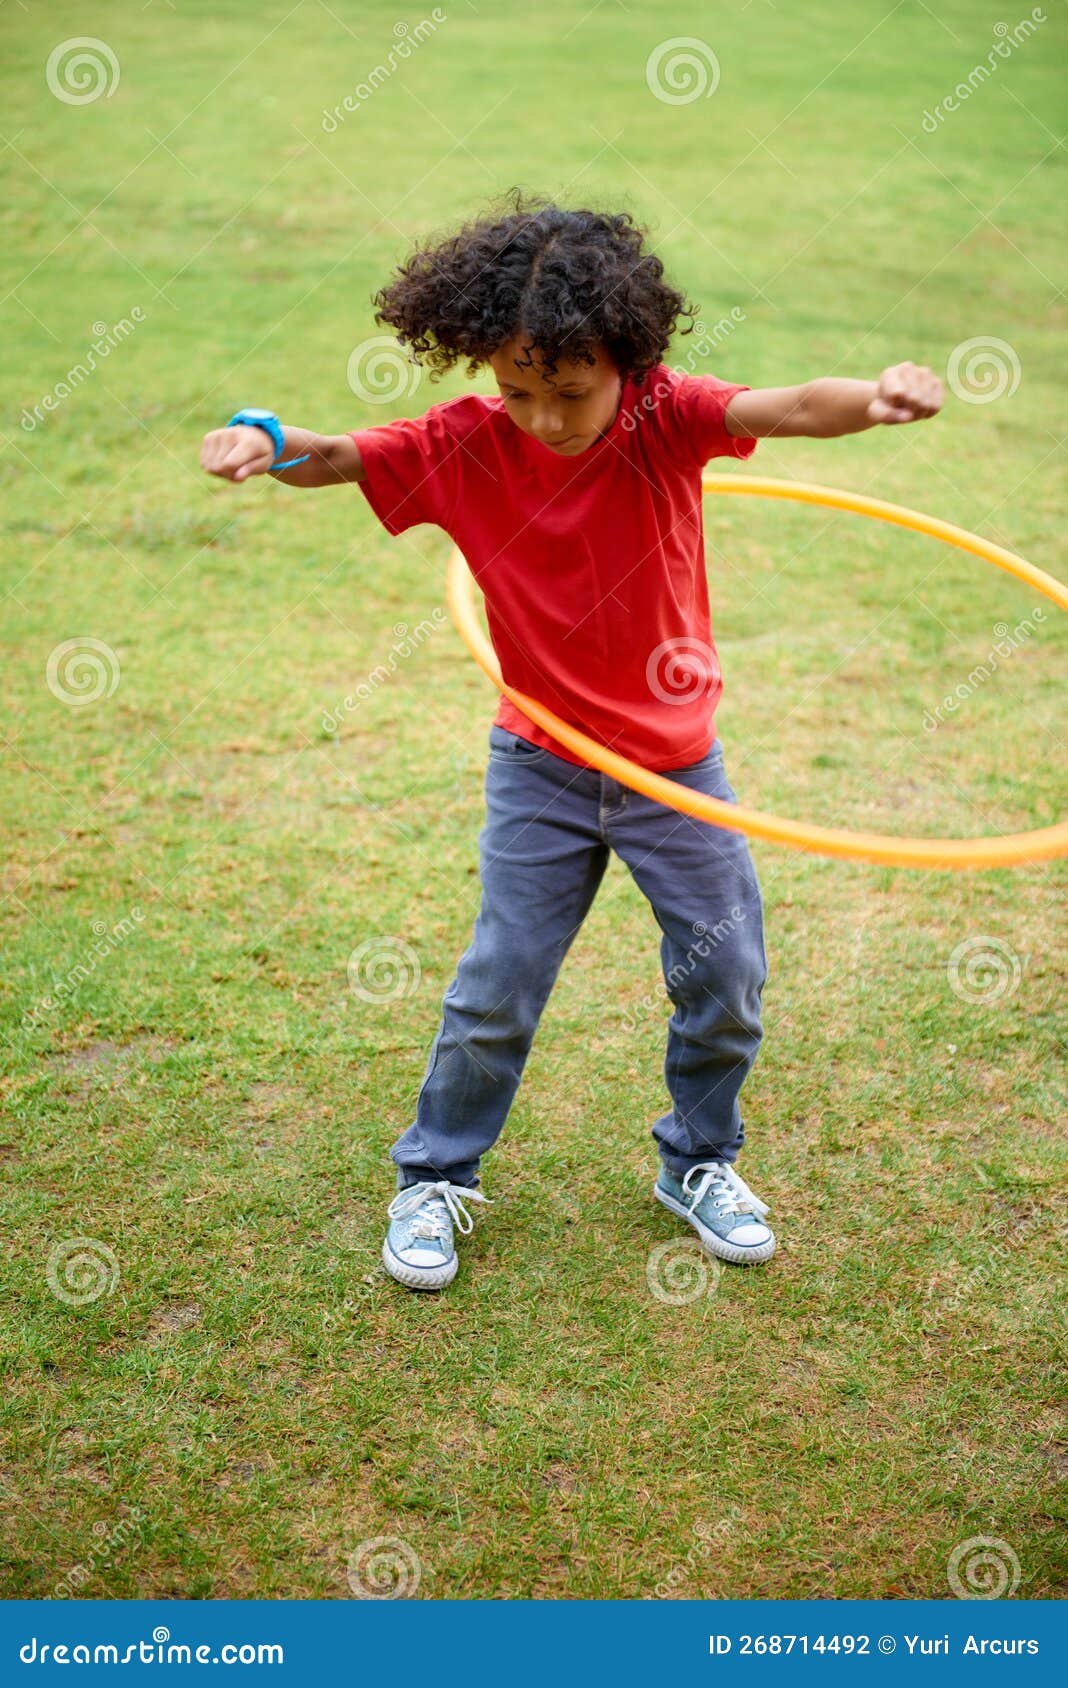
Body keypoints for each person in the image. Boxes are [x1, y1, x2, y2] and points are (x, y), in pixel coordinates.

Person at [200, 195, 943, 1293]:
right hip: (540, 768)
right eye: (517, 389)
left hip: (676, 770)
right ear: (484, 371)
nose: (544, 417)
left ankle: (698, 1162)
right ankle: (436, 1175)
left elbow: (789, 405)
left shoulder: (667, 418)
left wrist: (876, 401)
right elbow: (338, 457)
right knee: (499, 983)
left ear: (626, 361)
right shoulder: (464, 444)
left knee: (729, 978)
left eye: (570, 389)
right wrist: (264, 438)